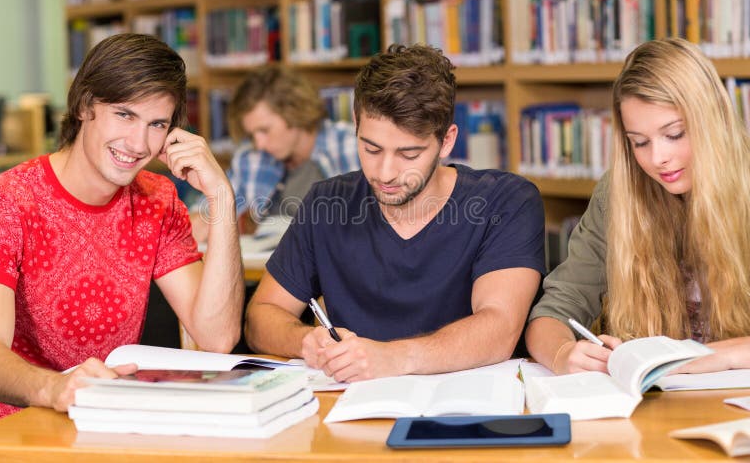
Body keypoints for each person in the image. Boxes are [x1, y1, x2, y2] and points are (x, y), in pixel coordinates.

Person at [0, 33, 244, 434]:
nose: (138, 143)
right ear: (85, 106)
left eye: (156, 124)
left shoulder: (158, 201)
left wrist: (222, 197)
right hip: (2, 433)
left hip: (100, 429)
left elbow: (217, 337)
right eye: (125, 115)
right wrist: (56, 389)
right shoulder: (2, 203)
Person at [244, 44, 545, 382]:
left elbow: (499, 329)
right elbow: (261, 317)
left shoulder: (506, 202)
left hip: (467, 411)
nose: (385, 172)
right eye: (371, 148)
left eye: (408, 153)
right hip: (353, 410)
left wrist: (392, 357)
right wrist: (305, 341)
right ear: (356, 125)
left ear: (447, 141)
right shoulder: (326, 202)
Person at [526, 37, 750, 375]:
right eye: (639, 143)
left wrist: (702, 359)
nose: (658, 158)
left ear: (712, 120)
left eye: (675, 134)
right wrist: (561, 354)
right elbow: (555, 311)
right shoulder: (619, 193)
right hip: (655, 405)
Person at [191, 66, 359, 242]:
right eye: (252, 134)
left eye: (264, 130)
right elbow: (206, 212)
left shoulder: (351, 146)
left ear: (294, 111)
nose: (259, 144)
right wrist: (204, 219)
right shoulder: (251, 159)